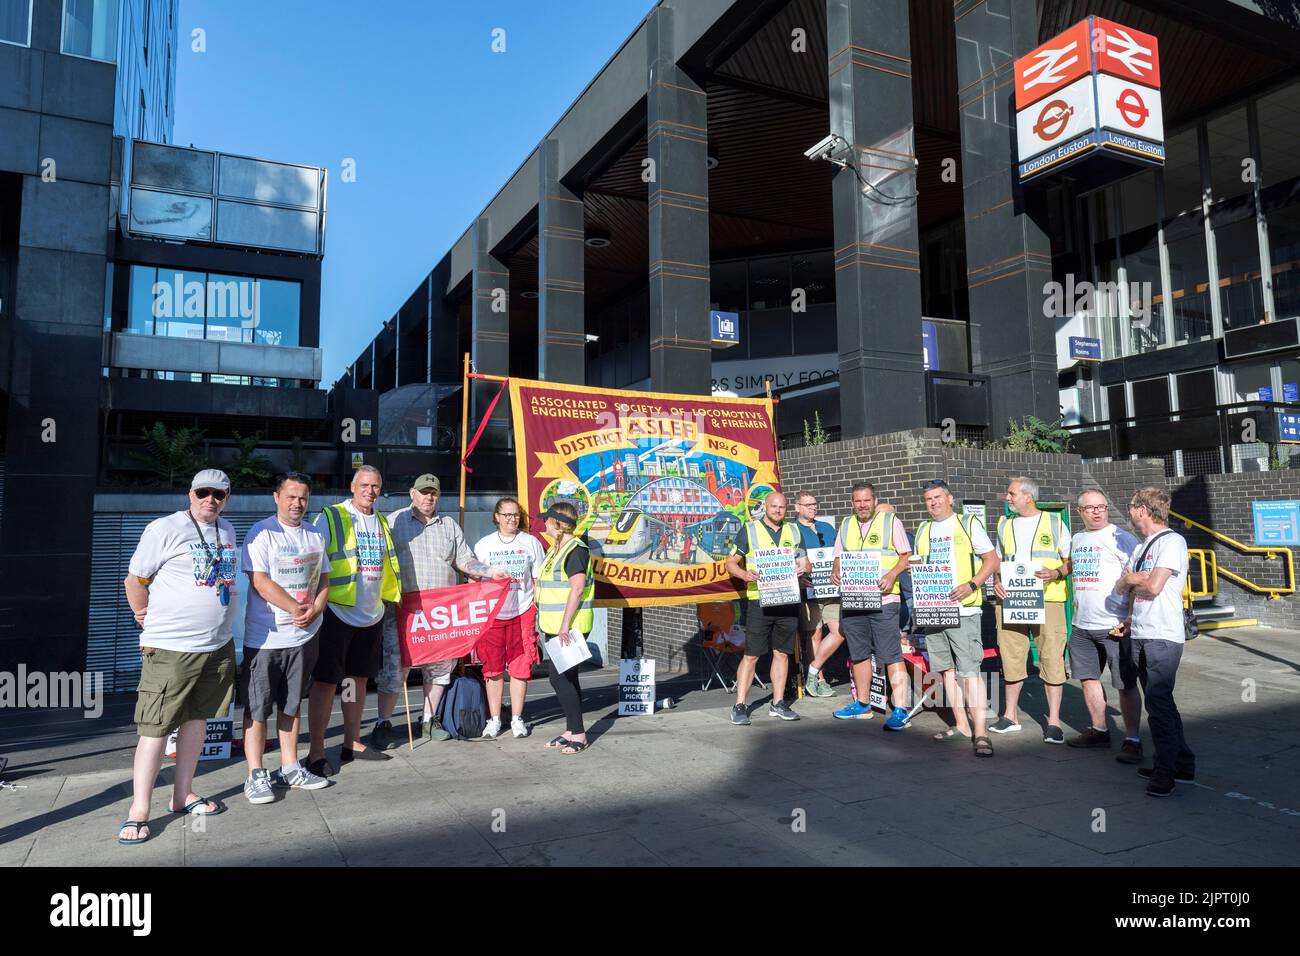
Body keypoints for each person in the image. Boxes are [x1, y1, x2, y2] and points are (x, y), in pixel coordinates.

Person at [119, 470, 240, 843]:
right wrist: (144, 619)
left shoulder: (228, 530)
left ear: (227, 498)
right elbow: (135, 580)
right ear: (190, 494)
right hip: (172, 647)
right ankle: (139, 809)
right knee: (155, 728)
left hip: (216, 645)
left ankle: (182, 794)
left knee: (197, 721)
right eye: (203, 492)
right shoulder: (164, 529)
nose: (210, 499)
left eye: (218, 494)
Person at [372, 474, 509, 748]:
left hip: (440, 615)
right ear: (412, 493)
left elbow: (465, 560)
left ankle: (428, 719)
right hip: (403, 611)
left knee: (439, 670)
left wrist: (491, 572)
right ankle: (383, 722)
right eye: (423, 492)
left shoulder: (449, 526)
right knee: (395, 670)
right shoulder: (393, 521)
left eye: (433, 492)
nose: (429, 497)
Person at [239, 472, 332, 804]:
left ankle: (291, 766)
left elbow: (323, 579)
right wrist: (296, 608)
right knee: (257, 708)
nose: (298, 503)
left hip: (304, 636)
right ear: (276, 497)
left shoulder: (315, 534)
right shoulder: (262, 533)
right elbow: (260, 582)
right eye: (291, 496)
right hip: (266, 638)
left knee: (292, 705)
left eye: (303, 497)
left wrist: (316, 610)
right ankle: (255, 774)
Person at [305, 465, 401, 776]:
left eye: (375, 486)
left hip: (370, 614)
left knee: (355, 680)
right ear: (352, 486)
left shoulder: (382, 521)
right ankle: (316, 752)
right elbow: (313, 560)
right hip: (337, 611)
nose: (370, 491)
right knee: (326, 682)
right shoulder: (332, 516)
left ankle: (352, 742)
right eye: (364, 485)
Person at [1116, 485, 1195, 797]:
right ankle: (1181, 763)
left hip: (1163, 635)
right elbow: (1124, 587)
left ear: (1141, 510)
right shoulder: (1142, 547)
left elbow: (1154, 587)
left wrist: (1133, 580)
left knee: (1159, 704)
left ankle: (1165, 774)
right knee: (1161, 702)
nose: (1131, 512)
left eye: (1133, 506)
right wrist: (1132, 584)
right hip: (1140, 631)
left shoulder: (1172, 542)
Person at [914, 479, 999, 757]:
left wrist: (972, 585)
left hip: (964, 610)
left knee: (969, 671)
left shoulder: (967, 523)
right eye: (928, 499)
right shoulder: (923, 529)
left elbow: (991, 560)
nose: (933, 502)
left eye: (938, 497)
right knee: (946, 671)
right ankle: (962, 725)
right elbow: (920, 566)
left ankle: (981, 732)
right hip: (935, 610)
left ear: (950, 499)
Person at [991, 476, 1072, 742]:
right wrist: (997, 581)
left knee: (1051, 655)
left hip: (1048, 598)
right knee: (1011, 655)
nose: (1007, 497)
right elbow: (999, 561)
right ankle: (1010, 716)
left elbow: (1070, 561)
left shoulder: (1054, 522)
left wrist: (1056, 572)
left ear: (1028, 496)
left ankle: (1055, 721)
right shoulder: (1004, 524)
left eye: (1012, 493)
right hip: (1013, 599)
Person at [828, 482, 914, 730]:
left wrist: (892, 575)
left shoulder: (890, 522)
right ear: (852, 503)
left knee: (891, 654)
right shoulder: (846, 524)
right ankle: (862, 703)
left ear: (875, 501)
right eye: (857, 501)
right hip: (855, 599)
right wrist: (836, 568)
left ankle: (900, 709)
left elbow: (905, 555)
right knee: (859, 653)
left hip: (884, 599)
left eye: (866, 500)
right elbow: (838, 555)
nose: (862, 505)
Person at [1067, 489, 1144, 761]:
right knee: (1088, 679)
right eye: (1090, 508)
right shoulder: (1077, 539)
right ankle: (1099, 730)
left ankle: (1133, 739)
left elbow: (1137, 580)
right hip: (1081, 625)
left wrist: (1131, 617)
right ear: (1080, 512)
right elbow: (1071, 567)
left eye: (1101, 506)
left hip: (1114, 625)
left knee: (1125, 684)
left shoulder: (1123, 538)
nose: (1097, 512)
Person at [725, 491, 810, 724]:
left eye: (781, 507)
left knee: (782, 654)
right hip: (759, 600)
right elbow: (730, 563)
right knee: (751, 654)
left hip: (787, 600)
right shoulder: (750, 530)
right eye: (773, 506)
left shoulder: (794, 531)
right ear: (765, 507)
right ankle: (740, 705)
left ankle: (778, 703)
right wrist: (745, 574)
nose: (777, 511)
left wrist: (803, 568)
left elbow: (805, 561)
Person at [472, 496, 546, 738]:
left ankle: (516, 718)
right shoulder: (484, 545)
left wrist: (536, 607)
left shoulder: (531, 542)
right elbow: (474, 579)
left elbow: (537, 579)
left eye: (515, 515)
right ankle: (494, 719)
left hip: (522, 610)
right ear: (496, 517)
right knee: (492, 668)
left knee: (520, 668)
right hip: (493, 614)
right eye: (507, 515)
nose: (512, 519)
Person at [538, 501, 595, 754]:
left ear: (558, 524)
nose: (544, 523)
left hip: (569, 626)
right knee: (568, 678)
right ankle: (571, 729)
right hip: (554, 625)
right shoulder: (557, 548)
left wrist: (564, 626)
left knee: (558, 678)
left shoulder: (575, 549)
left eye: (548, 520)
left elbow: (578, 587)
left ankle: (579, 734)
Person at [792, 490, 842, 698]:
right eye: (808, 505)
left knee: (840, 630)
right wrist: (797, 578)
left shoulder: (827, 528)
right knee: (815, 634)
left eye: (814, 504)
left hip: (831, 589)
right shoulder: (792, 530)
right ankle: (819, 680)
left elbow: (839, 554)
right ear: (797, 507)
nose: (813, 508)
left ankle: (812, 669)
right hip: (808, 590)